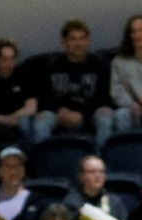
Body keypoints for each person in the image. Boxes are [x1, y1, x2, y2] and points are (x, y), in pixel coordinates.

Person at [40, 19, 118, 147]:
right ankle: (44, 162)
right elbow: (44, 95)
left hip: (91, 112)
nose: (78, 43)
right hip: (59, 113)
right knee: (41, 121)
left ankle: (99, 162)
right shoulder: (51, 65)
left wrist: (83, 114)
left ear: (88, 40)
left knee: (106, 118)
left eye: (82, 38)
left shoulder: (102, 65)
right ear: (64, 42)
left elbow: (105, 97)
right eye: (73, 39)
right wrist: (58, 110)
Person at [0, 39, 47, 144]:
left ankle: (28, 155)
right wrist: (0, 119)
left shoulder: (25, 74)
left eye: (12, 59)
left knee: (26, 123)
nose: (10, 64)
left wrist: (12, 117)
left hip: (17, 117)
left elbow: (31, 107)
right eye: (5, 59)